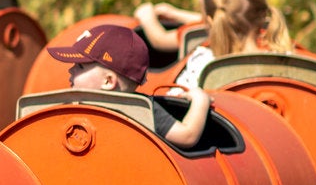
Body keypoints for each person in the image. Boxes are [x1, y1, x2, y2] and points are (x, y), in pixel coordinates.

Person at [47, 23, 212, 149]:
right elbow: (186, 135)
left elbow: (187, 137)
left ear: (108, 81)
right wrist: (200, 99)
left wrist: (200, 101)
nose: (71, 70)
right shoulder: (141, 108)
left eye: (80, 66)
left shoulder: (142, 110)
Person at [173, 0, 316, 91]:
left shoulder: (203, 64)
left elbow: (173, 102)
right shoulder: (289, 62)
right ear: (263, 15)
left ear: (211, 21)